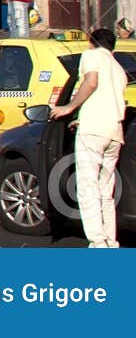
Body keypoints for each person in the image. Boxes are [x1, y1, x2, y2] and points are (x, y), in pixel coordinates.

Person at [51, 27, 129, 247]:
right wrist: (80, 117)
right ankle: (110, 241)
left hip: (93, 131)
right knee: (106, 190)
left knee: (87, 187)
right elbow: (106, 100)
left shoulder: (91, 55)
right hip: (114, 132)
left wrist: (70, 107)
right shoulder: (119, 69)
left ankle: (97, 242)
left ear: (91, 42)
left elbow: (91, 82)